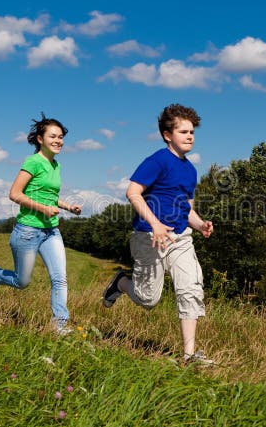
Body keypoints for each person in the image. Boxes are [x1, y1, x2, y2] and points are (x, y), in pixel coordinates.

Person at [102, 103, 214, 364]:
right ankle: (120, 282)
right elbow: (133, 192)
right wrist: (155, 224)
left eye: (192, 132)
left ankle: (189, 355)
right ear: (167, 135)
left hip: (180, 238)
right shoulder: (157, 161)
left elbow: (186, 208)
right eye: (183, 132)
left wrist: (200, 225)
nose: (190, 136)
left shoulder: (190, 170)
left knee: (191, 289)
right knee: (148, 299)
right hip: (148, 237)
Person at [0, 113, 82, 336]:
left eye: (61, 137)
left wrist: (68, 207)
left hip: (51, 231)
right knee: (22, 281)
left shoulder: (56, 165)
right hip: (27, 230)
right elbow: (15, 194)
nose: (58, 141)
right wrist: (43, 209)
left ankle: (60, 324)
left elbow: (50, 196)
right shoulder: (33, 162)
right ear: (40, 139)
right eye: (53, 136)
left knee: (60, 278)